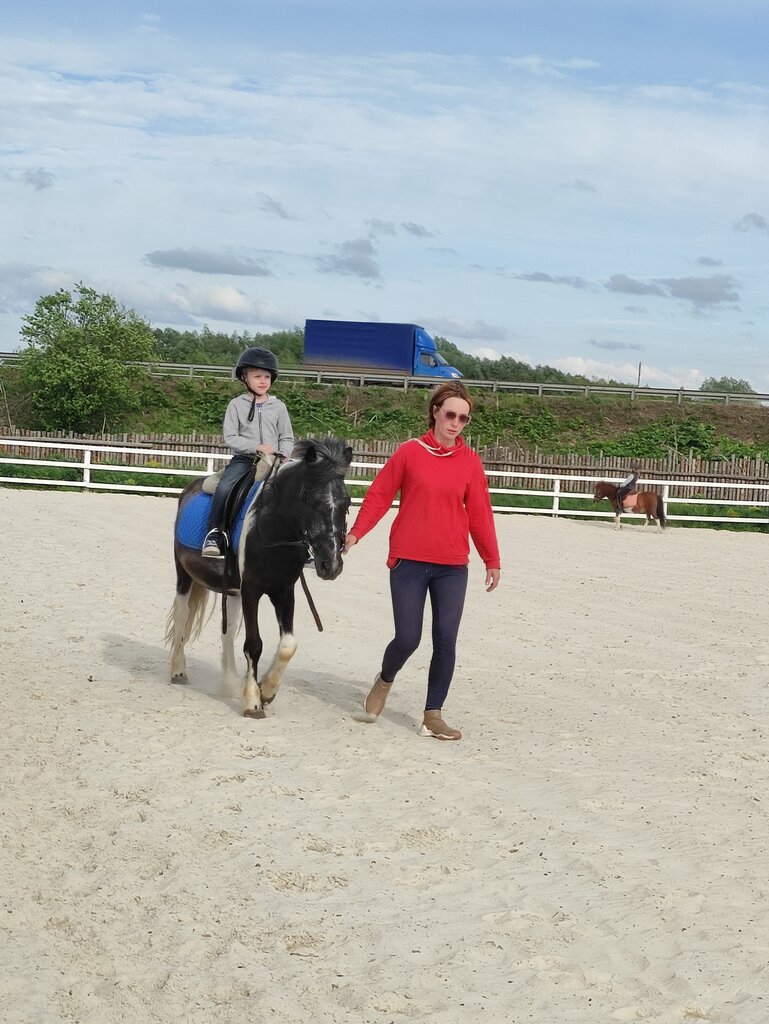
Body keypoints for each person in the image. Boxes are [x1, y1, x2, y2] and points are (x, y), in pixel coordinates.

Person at [342, 381, 500, 741]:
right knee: (408, 637)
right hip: (409, 560)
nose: (456, 422)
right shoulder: (409, 453)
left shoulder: (470, 462)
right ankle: (384, 681)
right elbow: (379, 496)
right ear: (435, 412)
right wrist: (355, 533)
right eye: (450, 414)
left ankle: (433, 714)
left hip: (451, 565)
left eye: (463, 418)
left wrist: (491, 558)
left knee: (446, 639)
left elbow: (480, 513)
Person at [202, 347, 294, 557]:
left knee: (299, 490)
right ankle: (215, 533)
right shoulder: (235, 405)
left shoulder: (279, 407)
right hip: (245, 460)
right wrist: (256, 447)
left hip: (274, 460)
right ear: (244, 377)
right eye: (257, 376)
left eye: (267, 376)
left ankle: (300, 543)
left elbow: (287, 437)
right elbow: (231, 438)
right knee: (225, 487)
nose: (263, 381)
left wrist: (283, 453)